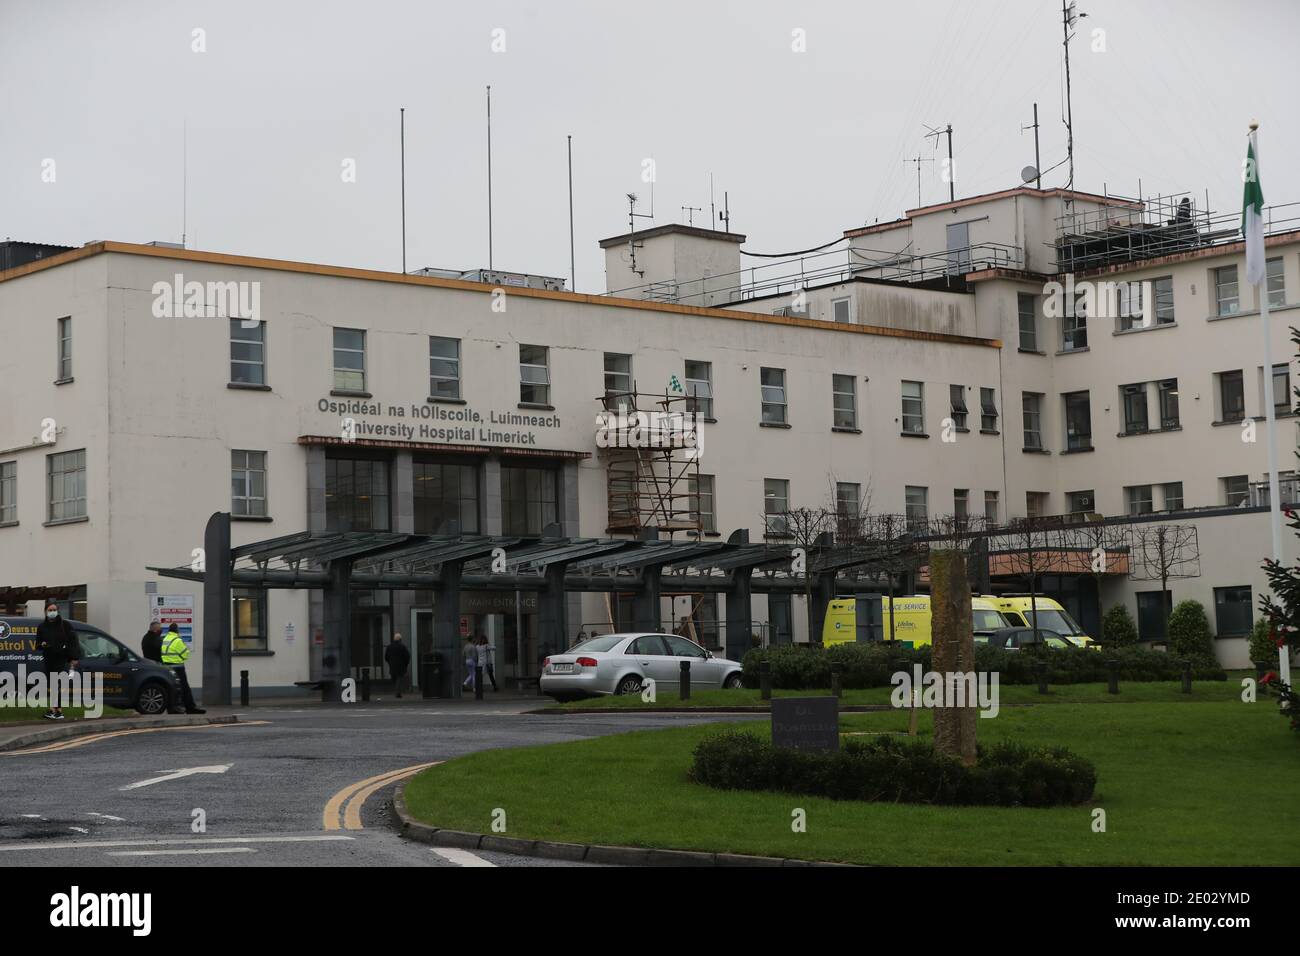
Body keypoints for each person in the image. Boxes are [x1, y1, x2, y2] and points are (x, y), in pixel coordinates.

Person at [36, 603, 79, 720]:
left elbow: (73, 642)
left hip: (62, 658)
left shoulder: (66, 625)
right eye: (50, 610)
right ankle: (55, 710)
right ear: (45, 611)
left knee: (57, 683)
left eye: (54, 610)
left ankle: (56, 710)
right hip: (49, 658)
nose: (52, 612)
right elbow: (37, 644)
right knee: (53, 684)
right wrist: (42, 644)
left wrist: (74, 658)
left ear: (58, 611)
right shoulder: (42, 627)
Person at [160, 622, 205, 714]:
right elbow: (185, 654)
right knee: (184, 687)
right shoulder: (177, 640)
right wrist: (181, 657)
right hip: (178, 666)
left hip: (167, 666)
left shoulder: (165, 639)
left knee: (172, 687)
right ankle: (190, 707)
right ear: (177, 630)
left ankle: (173, 708)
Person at [385, 632, 411, 698]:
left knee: (395, 678)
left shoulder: (389, 647)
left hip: (392, 665)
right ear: (400, 639)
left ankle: (397, 692)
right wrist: (406, 664)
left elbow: (386, 657)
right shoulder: (402, 646)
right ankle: (397, 692)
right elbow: (407, 656)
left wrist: (390, 662)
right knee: (399, 678)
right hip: (401, 666)